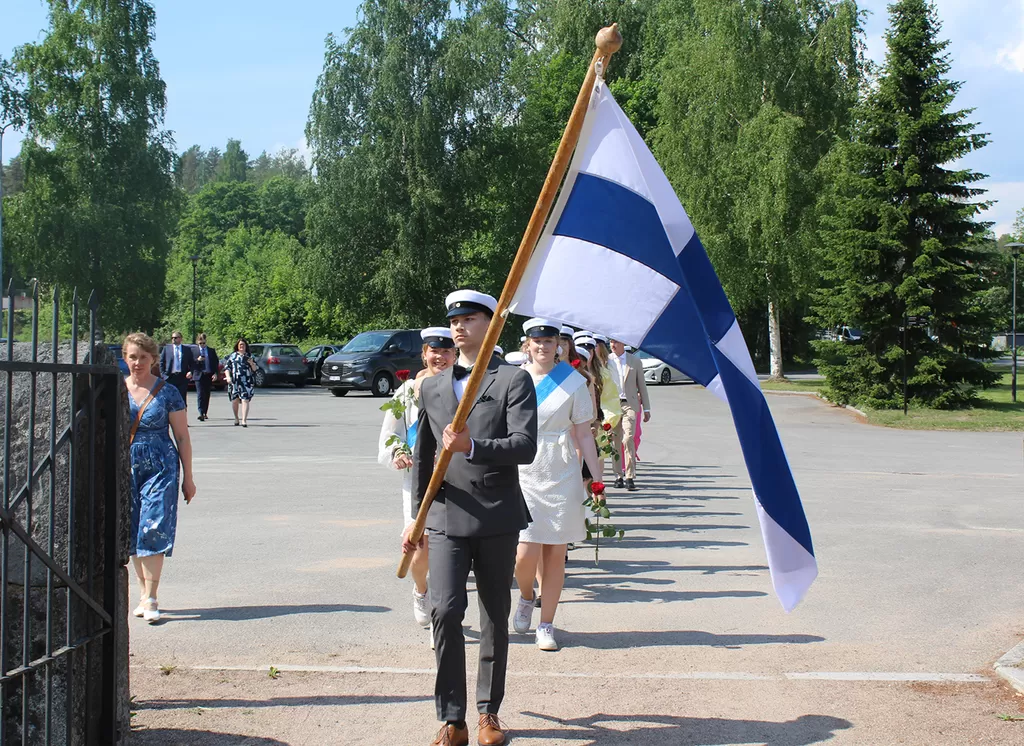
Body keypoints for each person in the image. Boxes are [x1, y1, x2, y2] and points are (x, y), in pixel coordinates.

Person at [402, 289, 538, 746]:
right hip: (445, 514)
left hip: (497, 514)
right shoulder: (433, 386)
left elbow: (525, 445)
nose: (459, 327)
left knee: (494, 615)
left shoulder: (512, 380)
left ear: (491, 324)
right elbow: (423, 454)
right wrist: (416, 519)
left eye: (470, 318)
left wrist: (473, 447)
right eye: (454, 320)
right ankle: (452, 718)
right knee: (444, 609)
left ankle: (487, 713)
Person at [512, 319, 601, 652]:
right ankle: (525, 596)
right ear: (527, 344)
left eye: (550, 341)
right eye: (537, 341)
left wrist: (596, 478)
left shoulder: (573, 382)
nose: (544, 346)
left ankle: (546, 624)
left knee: (555, 555)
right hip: (522, 470)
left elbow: (583, 434)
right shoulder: (514, 378)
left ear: (558, 345)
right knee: (524, 553)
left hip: (561, 469)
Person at [378, 327, 456, 630]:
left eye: (447, 351)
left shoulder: (462, 386)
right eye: (434, 352)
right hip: (417, 481)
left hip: (455, 479)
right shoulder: (407, 392)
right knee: (419, 547)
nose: (441, 357)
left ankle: (444, 610)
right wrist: (398, 451)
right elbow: (391, 433)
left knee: (449, 548)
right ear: (424, 354)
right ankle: (421, 589)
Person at [123, 332, 197, 623]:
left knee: (153, 526)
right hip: (126, 464)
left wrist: (188, 478)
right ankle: (143, 593)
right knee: (133, 528)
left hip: (161, 465)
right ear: (124, 358)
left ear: (153, 359)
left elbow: (182, 436)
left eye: (143, 357)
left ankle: (152, 597)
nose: (137, 362)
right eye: (132, 356)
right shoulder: (118, 389)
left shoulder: (167, 392)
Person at [608, 339, 651, 491]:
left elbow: (642, 385)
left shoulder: (634, 361)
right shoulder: (606, 361)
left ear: (623, 343)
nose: (612, 345)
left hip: (630, 404)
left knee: (628, 438)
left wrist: (646, 408)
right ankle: (618, 476)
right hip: (612, 405)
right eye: (611, 342)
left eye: (615, 342)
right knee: (615, 440)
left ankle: (630, 476)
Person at [224, 338, 258, 427]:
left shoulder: (250, 356)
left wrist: (252, 363)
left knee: (245, 400)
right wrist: (228, 377)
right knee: (234, 400)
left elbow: (255, 369)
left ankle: (244, 420)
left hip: (246, 381)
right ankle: (236, 418)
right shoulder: (233, 356)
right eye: (240, 345)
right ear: (237, 346)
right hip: (235, 381)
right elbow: (227, 368)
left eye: (243, 345)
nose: (242, 346)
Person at [159, 330, 195, 404]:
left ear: (180, 339)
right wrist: (163, 374)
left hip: (182, 377)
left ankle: (182, 414)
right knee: (169, 398)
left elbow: (192, 363)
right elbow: (161, 362)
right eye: (172, 338)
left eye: (175, 338)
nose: (173, 339)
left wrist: (191, 371)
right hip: (170, 377)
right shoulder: (167, 349)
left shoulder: (187, 350)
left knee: (182, 399)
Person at [192, 333, 219, 422]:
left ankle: (205, 412)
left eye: (203, 343)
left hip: (208, 374)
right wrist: (197, 360)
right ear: (197, 343)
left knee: (207, 394)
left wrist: (215, 373)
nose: (202, 345)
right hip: (199, 375)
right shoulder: (194, 351)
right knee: (200, 394)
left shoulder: (211, 351)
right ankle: (201, 413)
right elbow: (191, 363)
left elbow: (215, 363)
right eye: (200, 343)